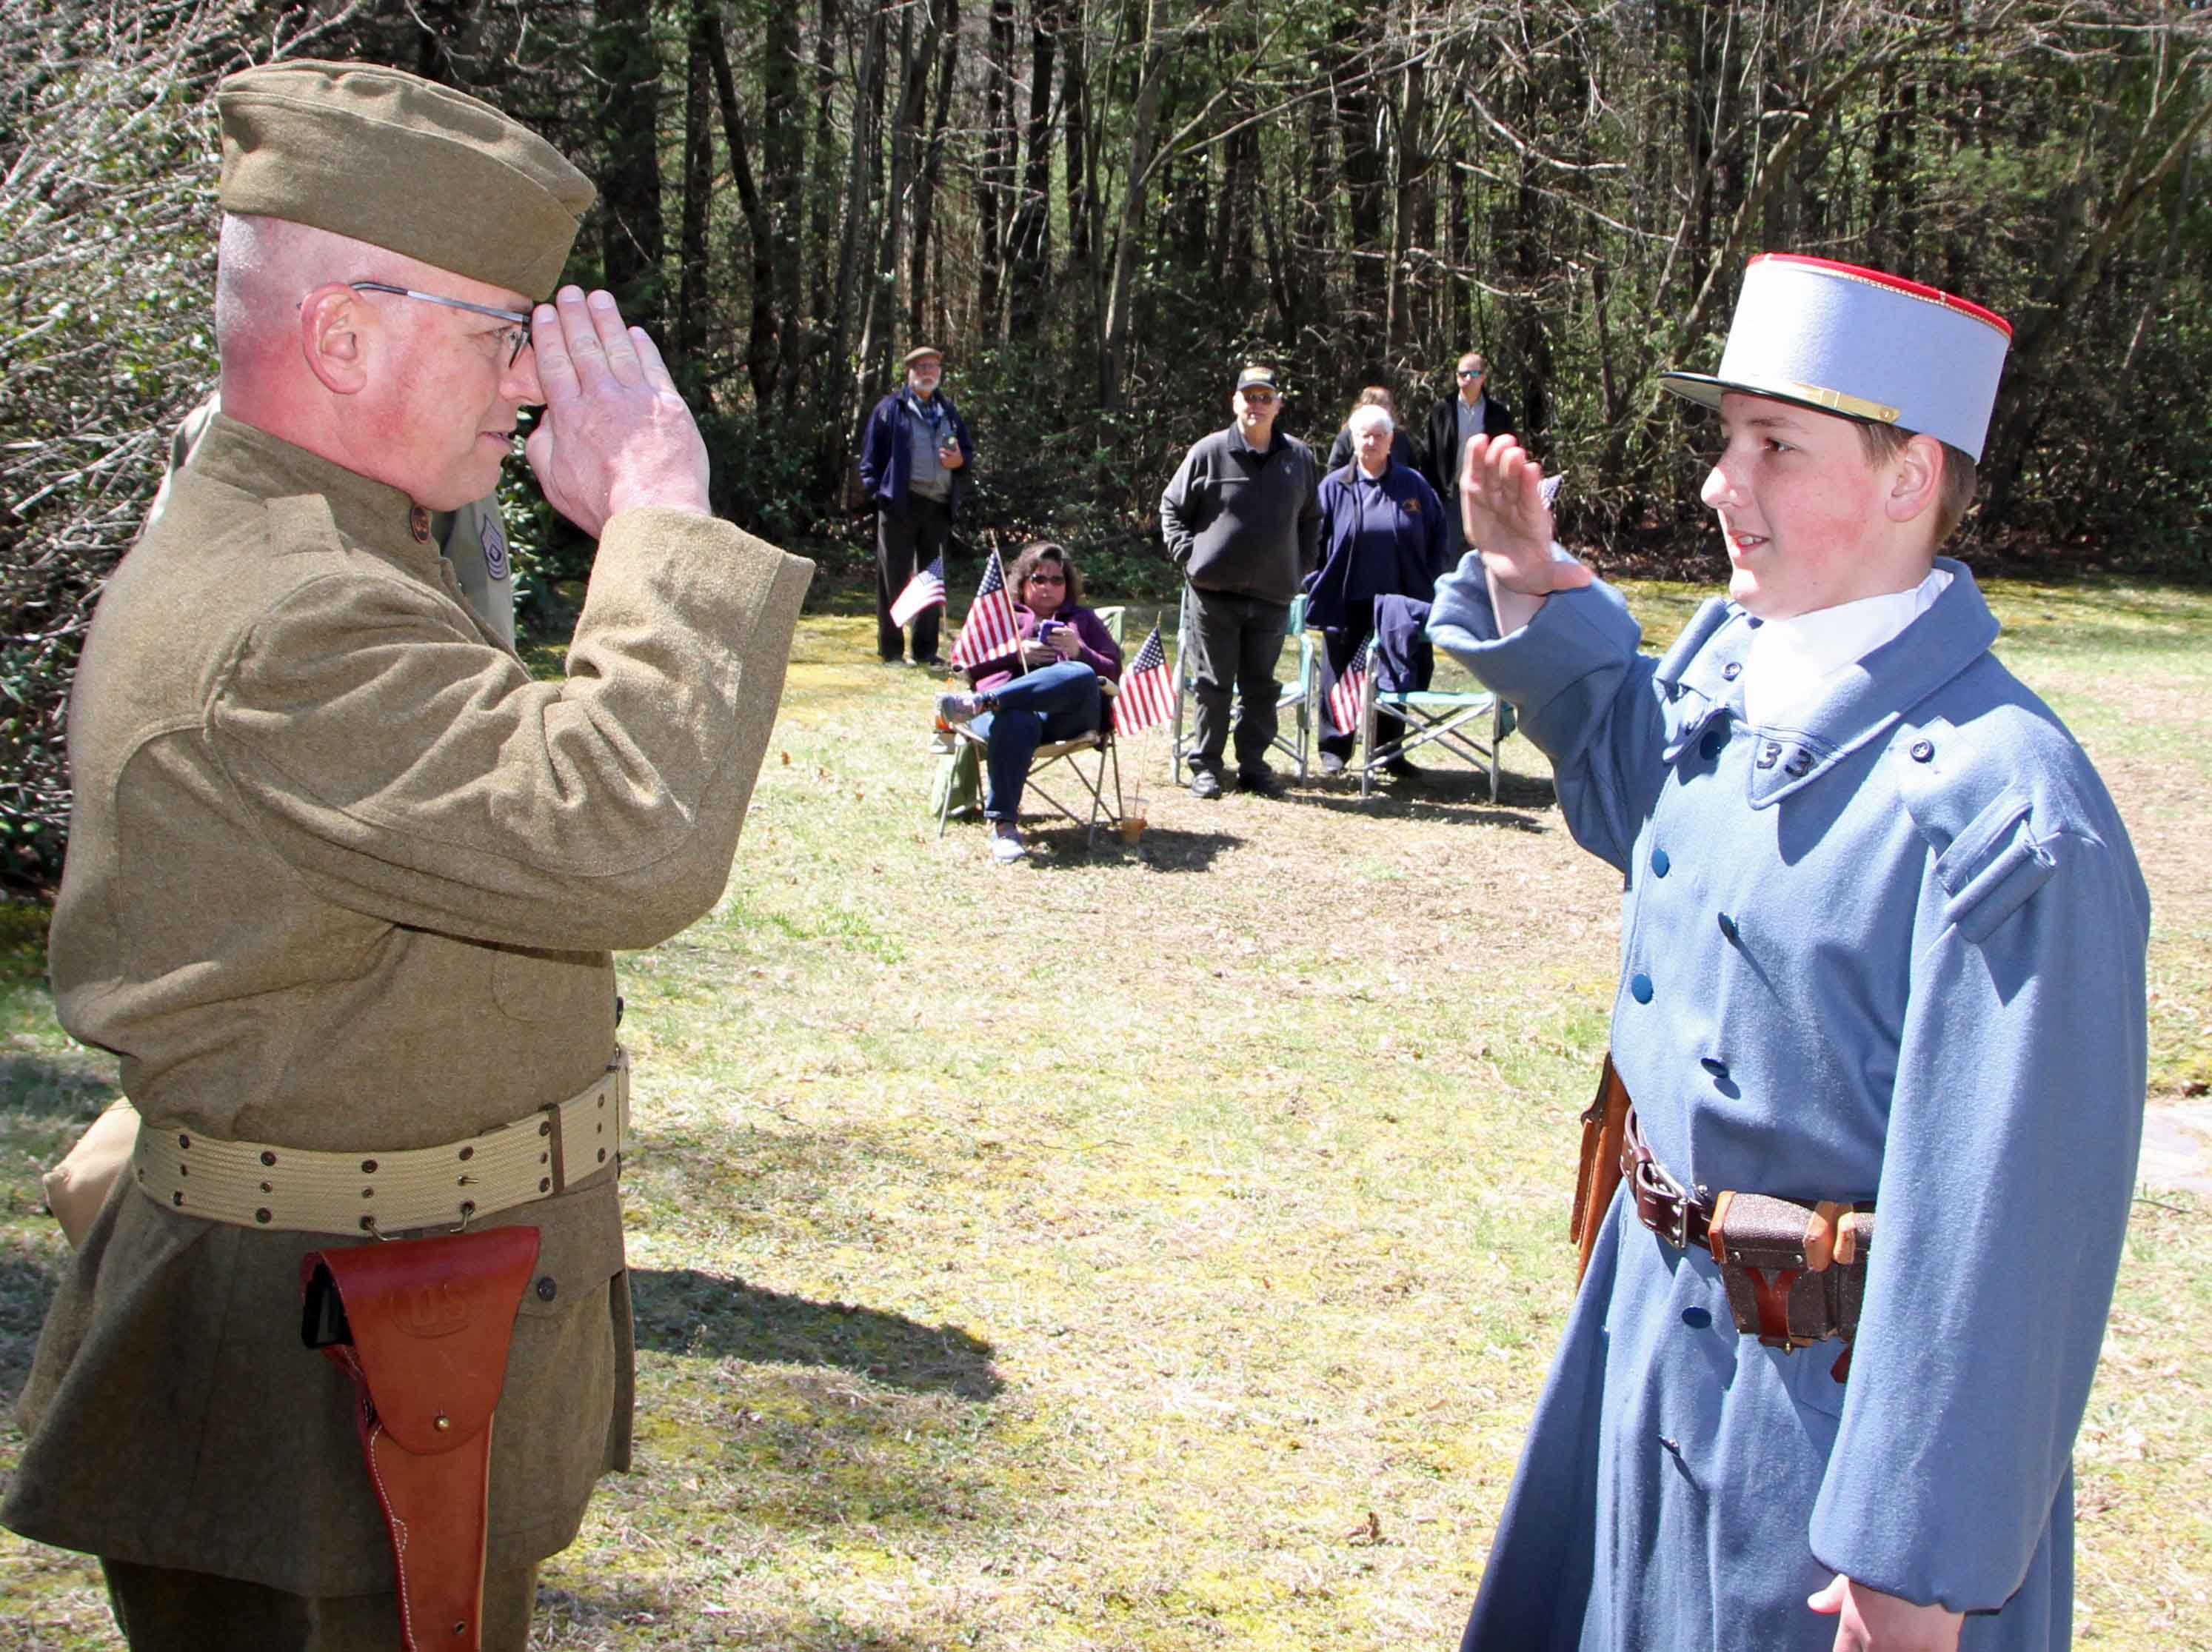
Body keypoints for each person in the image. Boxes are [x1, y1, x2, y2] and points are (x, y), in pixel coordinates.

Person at [1, 58, 815, 1651]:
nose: (527, 385)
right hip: (325, 1383)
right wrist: (661, 520)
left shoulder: (323, 546)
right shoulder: (299, 609)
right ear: (343, 333)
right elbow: (623, 833)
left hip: (368, 1341)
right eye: (500, 333)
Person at [1431, 253, 2148, 1651]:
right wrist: (1532, 581)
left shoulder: (2007, 815)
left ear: (1907, 479)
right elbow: (1646, 790)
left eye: (1774, 443)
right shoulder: (1744, 669)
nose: (1719, 481)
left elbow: (2011, 1229)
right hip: (1646, 1354)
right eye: (1725, 437)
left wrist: (1911, 1560)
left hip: (1822, 1448)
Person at [1158, 363, 1323, 798]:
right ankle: (1206, 767)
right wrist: (1189, 556)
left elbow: (1312, 518)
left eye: (1265, 397)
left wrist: (1301, 565)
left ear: (1278, 405)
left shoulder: (1299, 457)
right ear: (1236, 402)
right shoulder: (1209, 452)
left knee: (1261, 688)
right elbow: (1171, 507)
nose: (1257, 405)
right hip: (1213, 592)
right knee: (1213, 685)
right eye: (1249, 396)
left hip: (1273, 594)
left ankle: (1254, 767)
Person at [936, 541, 1123, 863]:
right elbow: (963, 662)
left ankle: (984, 701)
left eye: (1057, 580)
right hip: (1009, 719)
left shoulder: (1083, 620)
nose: (1048, 587)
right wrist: (1016, 652)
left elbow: (1113, 671)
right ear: (1023, 583)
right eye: (1039, 579)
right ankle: (1005, 827)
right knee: (1015, 717)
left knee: (1079, 673)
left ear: (1068, 585)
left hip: (1066, 717)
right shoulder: (1000, 615)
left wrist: (1080, 650)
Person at [1308, 404, 1451, 777]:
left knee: (1398, 670)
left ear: (1391, 441)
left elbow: (1439, 537)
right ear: (1352, 440)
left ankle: (1389, 751)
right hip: (1347, 597)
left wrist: (1431, 580)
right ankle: (1335, 750)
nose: (1371, 442)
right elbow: (1312, 543)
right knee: (1340, 675)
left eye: (1379, 435)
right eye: (1363, 435)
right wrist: (1315, 582)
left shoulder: (1414, 485)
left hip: (1403, 603)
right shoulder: (1333, 486)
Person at [858, 345, 973, 669]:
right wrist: (880, 494)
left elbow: (966, 453)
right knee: (893, 578)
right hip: (899, 505)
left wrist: (960, 460)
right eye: (921, 367)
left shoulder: (948, 411)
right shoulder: (890, 409)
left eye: (933, 367)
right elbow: (871, 460)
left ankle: (925, 650)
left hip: (937, 506)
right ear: (908, 373)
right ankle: (892, 651)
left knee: (931, 579)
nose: (928, 372)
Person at [1419, 350, 1515, 504]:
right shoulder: (1441, 410)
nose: (1469, 378)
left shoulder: (1499, 414)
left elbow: (1508, 454)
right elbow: (1428, 454)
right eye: (1464, 374)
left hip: (1486, 496)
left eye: (1475, 373)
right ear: (1457, 377)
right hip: (1449, 497)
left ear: (1483, 377)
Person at [1323, 385, 1420, 475]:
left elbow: (1412, 467)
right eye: (1379, 404)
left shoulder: (1399, 435)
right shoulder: (1349, 434)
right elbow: (1334, 468)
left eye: (1387, 404)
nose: (1385, 409)